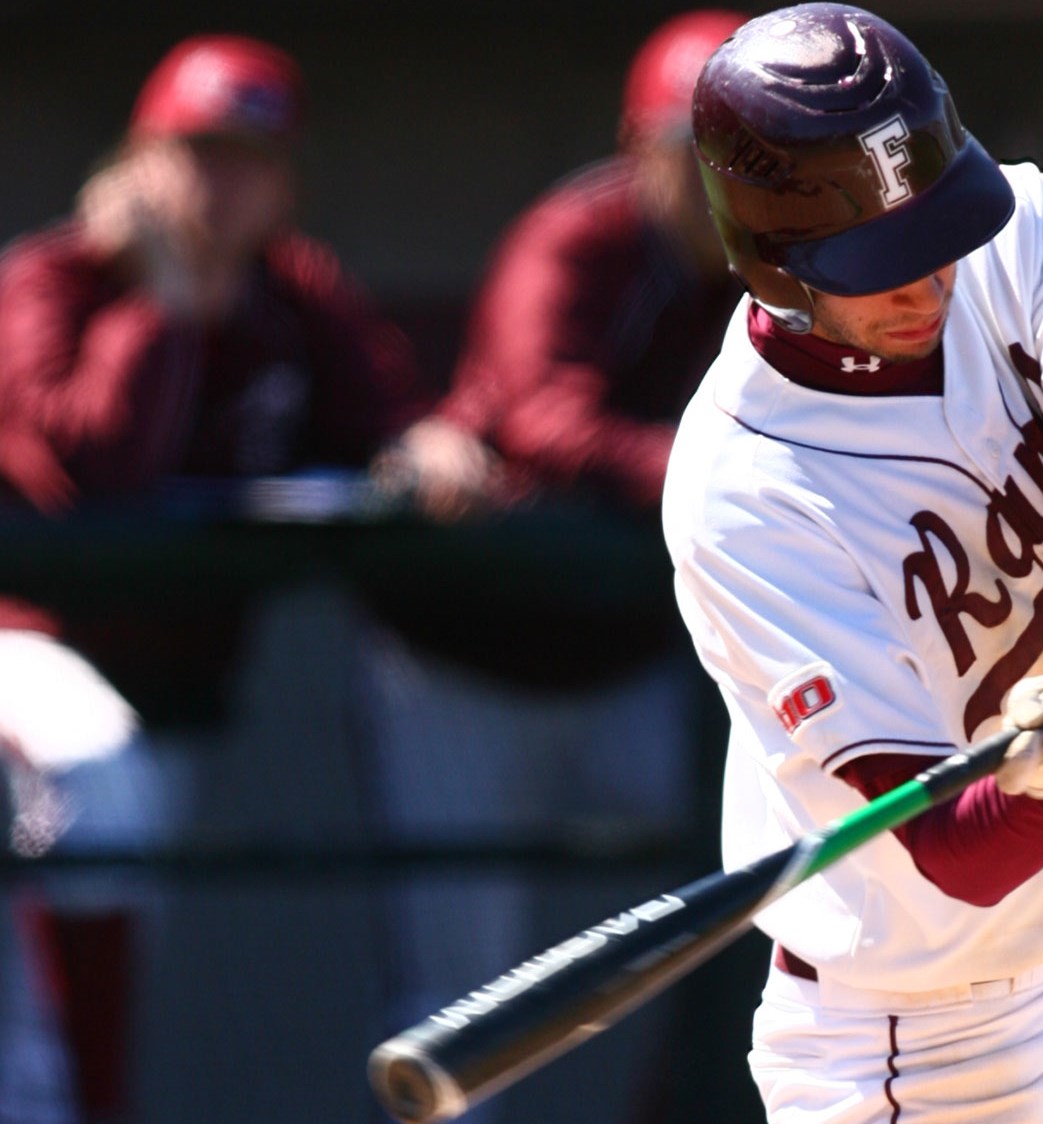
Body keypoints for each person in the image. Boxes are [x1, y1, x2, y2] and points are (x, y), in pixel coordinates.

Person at [661, 6, 1043, 1120]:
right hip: (929, 1043)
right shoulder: (742, 492)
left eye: (937, 230)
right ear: (774, 263)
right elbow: (953, 851)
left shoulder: (1015, 227)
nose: (929, 279)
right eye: (878, 262)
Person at [0, 34, 471, 1123]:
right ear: (137, 159)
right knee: (91, 801)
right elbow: (87, 473)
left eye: (250, 158)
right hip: (30, 657)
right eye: (197, 152)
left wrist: (421, 446)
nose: (222, 183)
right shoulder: (54, 280)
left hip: (173, 690)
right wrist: (162, 301)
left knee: (86, 938)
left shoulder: (288, 297)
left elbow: (387, 419)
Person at [350, 11, 750, 1120]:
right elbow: (538, 416)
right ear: (641, 149)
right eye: (699, 150)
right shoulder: (579, 237)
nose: (726, 181)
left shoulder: (781, 267)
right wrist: (713, 470)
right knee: (460, 997)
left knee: (778, 879)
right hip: (467, 662)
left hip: (626, 669)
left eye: (751, 151)